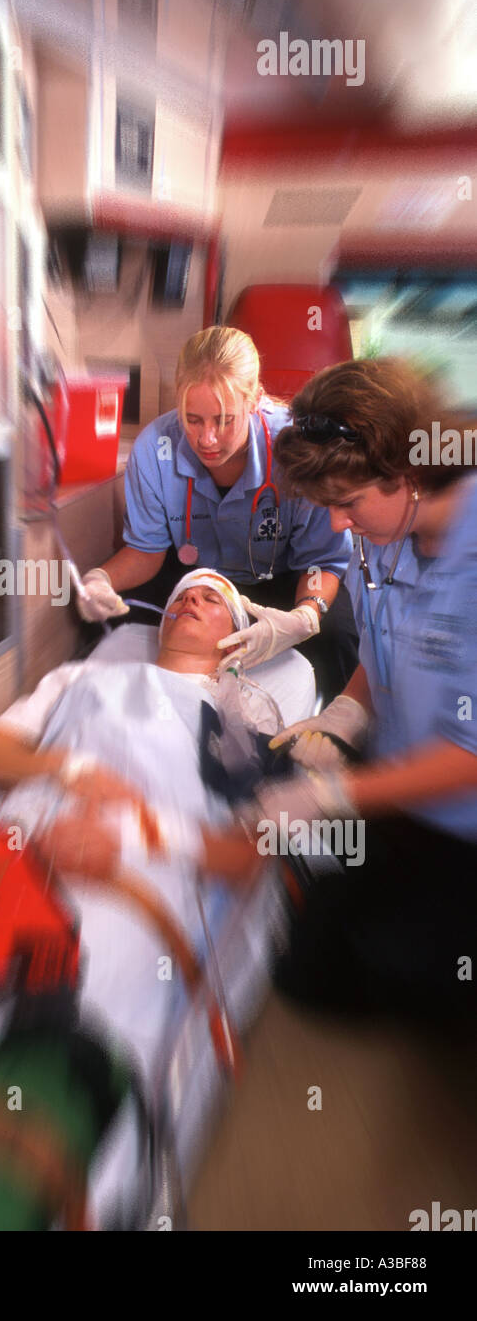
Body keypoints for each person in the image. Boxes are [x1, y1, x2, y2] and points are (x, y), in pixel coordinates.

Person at [206, 358, 477, 1023]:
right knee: (307, 972)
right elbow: (381, 650)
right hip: (399, 781)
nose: (337, 526)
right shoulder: (382, 533)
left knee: (406, 969)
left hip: (460, 812)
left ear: (407, 473)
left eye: (347, 505)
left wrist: (333, 793)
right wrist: (344, 714)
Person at [76, 326, 357, 697]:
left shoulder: (299, 450)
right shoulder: (155, 449)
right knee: (109, 619)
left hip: (283, 581)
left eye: (224, 420)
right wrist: (99, 580)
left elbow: (323, 561)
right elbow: (147, 551)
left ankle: (324, 744)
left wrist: (304, 615)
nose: (207, 439)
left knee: (334, 638)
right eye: (193, 420)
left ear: (254, 399)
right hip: (196, 581)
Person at [0, 569, 290, 877]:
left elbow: (246, 857)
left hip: (135, 875)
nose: (191, 598)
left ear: (236, 640)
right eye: (182, 596)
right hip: (14, 847)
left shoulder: (230, 725)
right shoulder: (80, 677)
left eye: (211, 598)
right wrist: (65, 768)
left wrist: (135, 834)